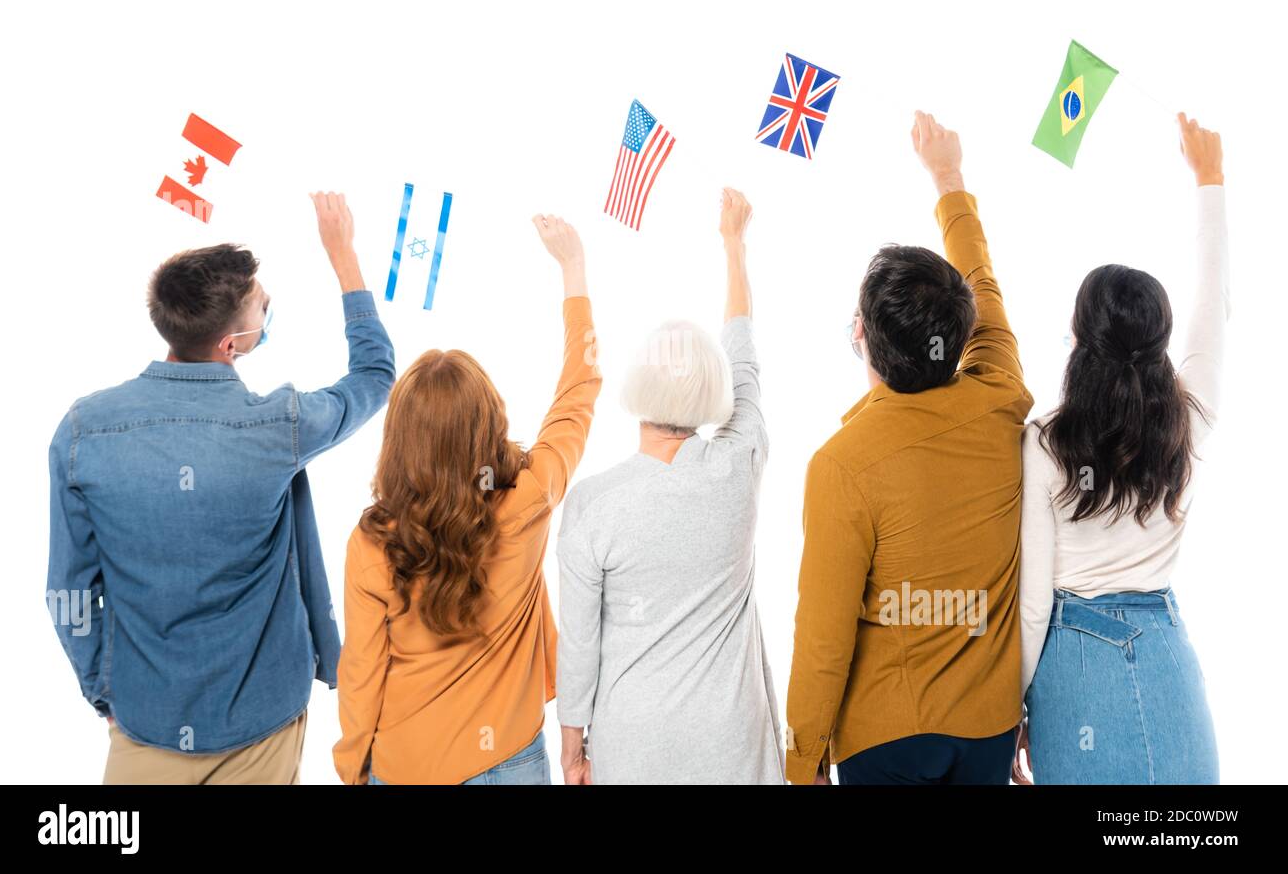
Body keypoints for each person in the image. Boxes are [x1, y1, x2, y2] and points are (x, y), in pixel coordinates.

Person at [47, 191, 394, 784]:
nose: (268, 308)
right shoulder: (278, 427)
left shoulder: (83, 432)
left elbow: (69, 593)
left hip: (146, 723)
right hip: (262, 722)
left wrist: (105, 691)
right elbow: (374, 373)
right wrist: (343, 255)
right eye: (263, 305)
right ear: (230, 345)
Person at [785, 112, 1034, 785]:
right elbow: (981, 281)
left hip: (885, 740)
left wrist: (800, 763)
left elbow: (823, 640)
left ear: (861, 334)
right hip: (989, 729)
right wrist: (948, 177)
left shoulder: (839, 464)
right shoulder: (1001, 396)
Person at [333, 213, 600, 785]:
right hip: (510, 761)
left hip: (406, 765)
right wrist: (573, 271)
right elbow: (578, 394)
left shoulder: (373, 542)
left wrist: (353, 767)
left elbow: (360, 671)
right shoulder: (531, 496)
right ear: (490, 424)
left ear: (400, 439)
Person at [1013, 113, 1228, 785]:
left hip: (1073, 661)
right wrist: (1211, 180)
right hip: (1168, 655)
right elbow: (1214, 306)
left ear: (1079, 341)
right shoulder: (1187, 422)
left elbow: (1032, 602)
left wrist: (1013, 705)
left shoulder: (1047, 443)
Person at [555, 188, 784, 785]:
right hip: (732, 742)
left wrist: (573, 748)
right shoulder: (740, 464)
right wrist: (734, 246)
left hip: (635, 748)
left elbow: (579, 643)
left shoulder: (591, 504)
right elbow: (744, 356)